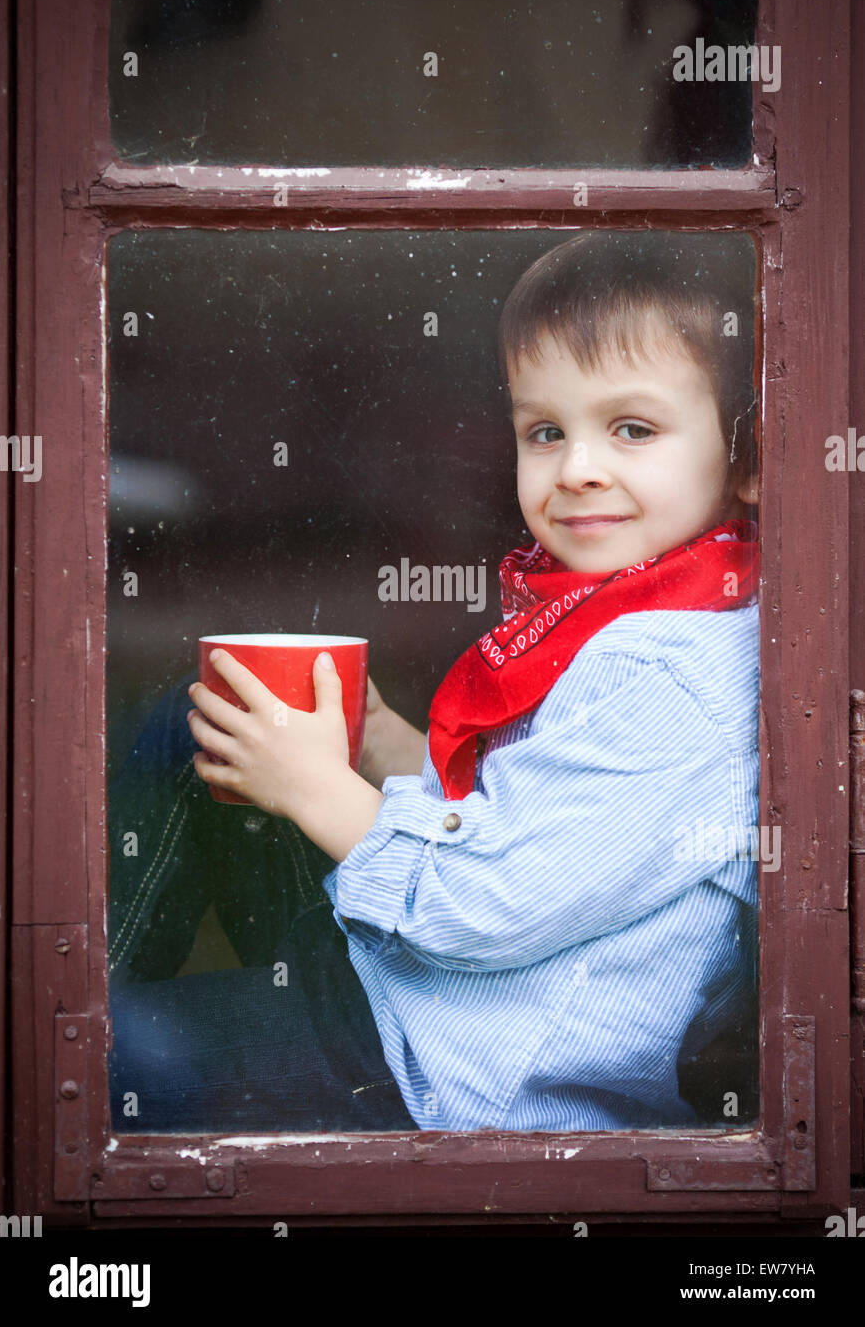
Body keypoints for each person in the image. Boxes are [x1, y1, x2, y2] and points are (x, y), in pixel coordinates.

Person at [109, 231, 760, 1133]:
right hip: (419, 997)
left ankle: (93, 1035)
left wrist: (316, 785)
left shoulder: (674, 677)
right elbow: (520, 816)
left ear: (751, 460)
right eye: (545, 431)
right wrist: (382, 745)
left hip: (455, 1077)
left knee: (114, 1061)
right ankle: (93, 996)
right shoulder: (633, 613)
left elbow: (484, 903)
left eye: (633, 429)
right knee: (193, 732)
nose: (576, 468)